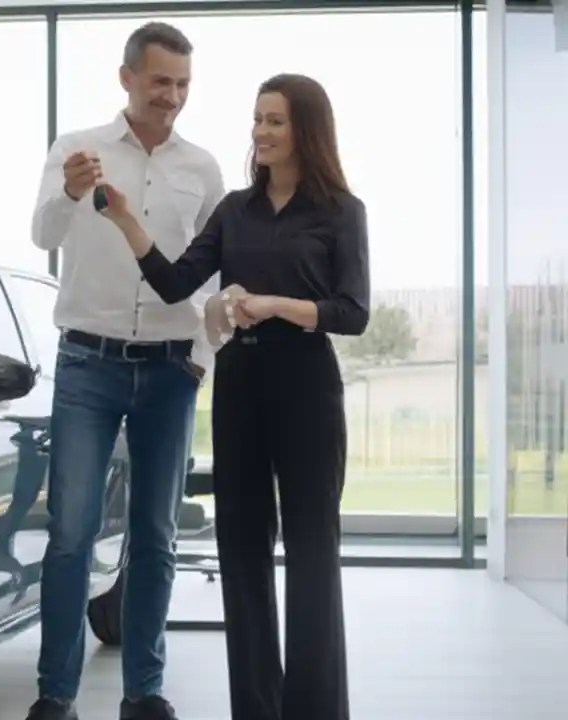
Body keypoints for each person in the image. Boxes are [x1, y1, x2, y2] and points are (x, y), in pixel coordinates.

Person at [96, 72, 370, 720]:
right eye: (257, 119)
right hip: (241, 385)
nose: (260, 132)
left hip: (307, 385)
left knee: (312, 552)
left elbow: (353, 312)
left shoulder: (340, 211)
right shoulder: (235, 210)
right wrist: (126, 219)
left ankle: (315, 711)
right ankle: (255, 708)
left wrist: (273, 304)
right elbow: (174, 283)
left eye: (275, 120)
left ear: (306, 130)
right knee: (242, 550)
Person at [27, 21, 225, 720]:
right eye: (160, 81)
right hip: (88, 363)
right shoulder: (76, 151)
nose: (172, 96)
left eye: (183, 84)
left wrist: (201, 359)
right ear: (127, 78)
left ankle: (144, 693)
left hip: (171, 370)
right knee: (71, 534)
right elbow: (43, 234)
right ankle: (56, 696)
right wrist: (69, 193)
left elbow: (215, 274)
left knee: (156, 537)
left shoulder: (202, 169)